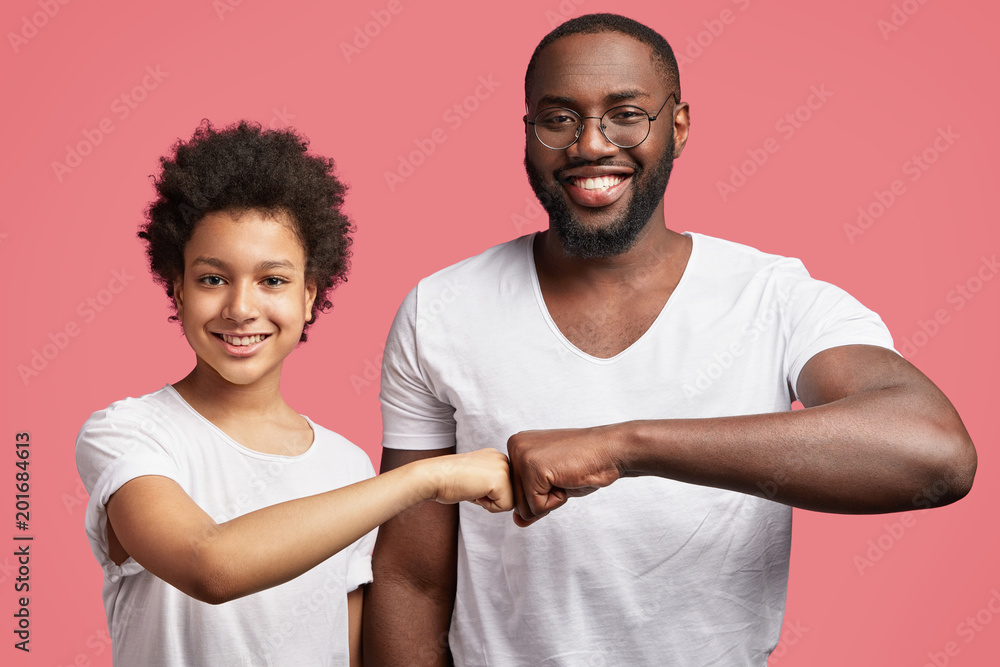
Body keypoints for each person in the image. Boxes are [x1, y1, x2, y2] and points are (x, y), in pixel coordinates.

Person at [363, 13, 977, 666]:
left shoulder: (771, 296)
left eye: (626, 114)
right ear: (528, 134)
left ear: (678, 128)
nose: (590, 144)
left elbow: (935, 453)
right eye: (558, 118)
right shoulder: (442, 309)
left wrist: (625, 446)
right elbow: (412, 576)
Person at [75, 120, 513, 667]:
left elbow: (347, 650)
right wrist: (427, 476)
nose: (240, 308)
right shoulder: (129, 435)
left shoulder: (346, 468)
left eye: (272, 281)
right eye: (212, 279)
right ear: (176, 289)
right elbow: (210, 566)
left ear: (310, 296)